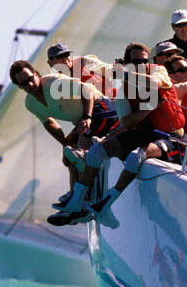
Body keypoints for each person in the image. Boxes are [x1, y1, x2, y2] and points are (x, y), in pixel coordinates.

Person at [55, 43, 186, 225]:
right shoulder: (124, 88)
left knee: (135, 156)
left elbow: (155, 83)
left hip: (170, 137)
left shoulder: (158, 70)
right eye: (135, 61)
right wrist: (148, 107)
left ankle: (107, 202)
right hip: (144, 133)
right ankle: (77, 201)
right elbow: (126, 122)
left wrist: (125, 74)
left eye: (143, 61)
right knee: (96, 152)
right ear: (127, 62)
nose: (141, 64)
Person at [10, 59, 118, 209]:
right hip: (83, 120)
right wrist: (65, 143)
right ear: (19, 87)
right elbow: (49, 122)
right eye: (23, 83)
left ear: (35, 74)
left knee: (79, 153)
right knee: (69, 155)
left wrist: (87, 116)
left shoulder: (54, 84)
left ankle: (83, 199)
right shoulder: (31, 103)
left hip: (101, 109)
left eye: (30, 79)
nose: (29, 84)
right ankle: (75, 197)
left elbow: (87, 89)